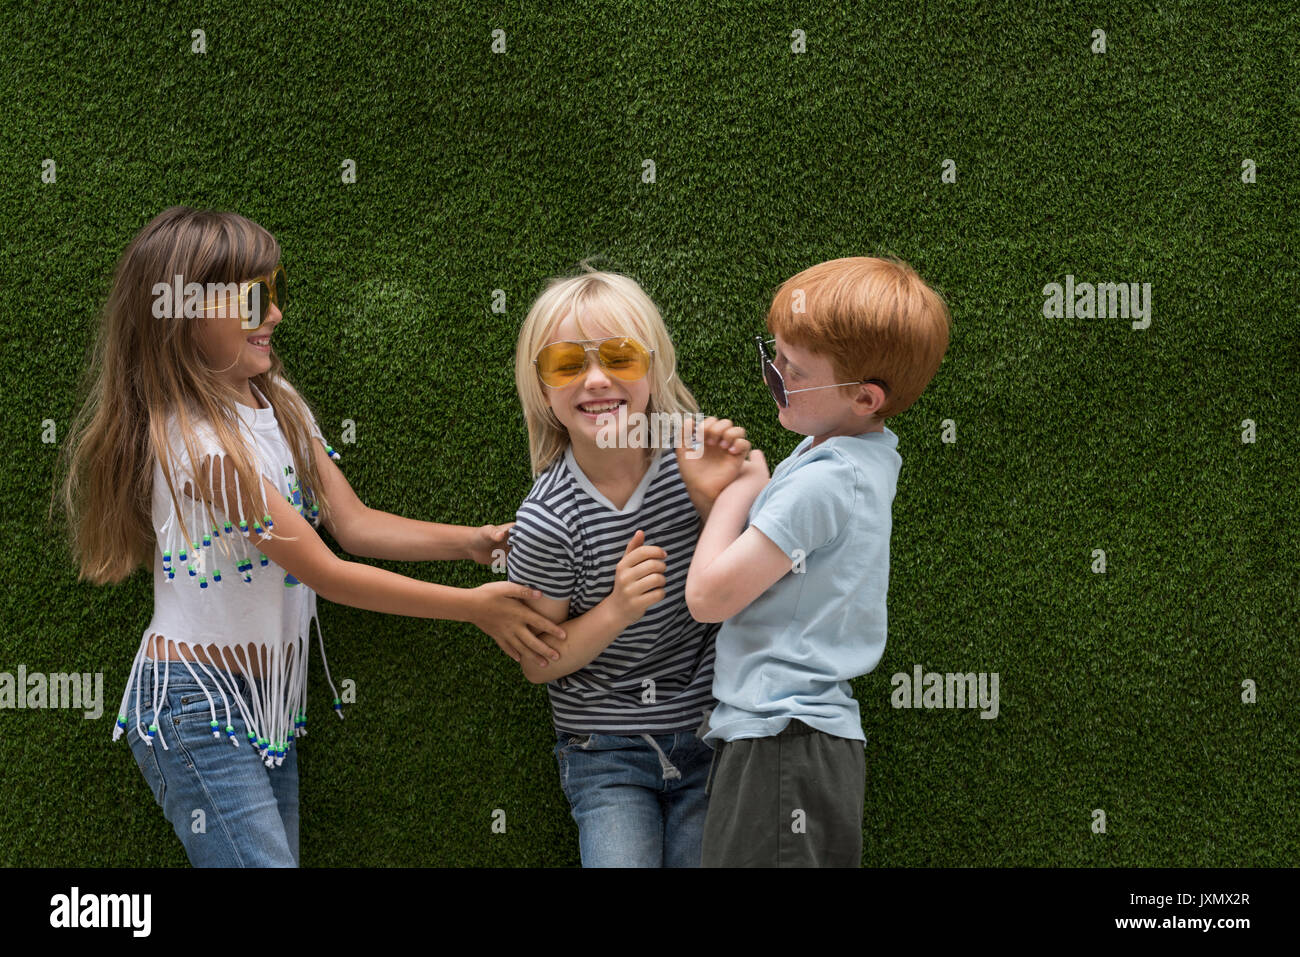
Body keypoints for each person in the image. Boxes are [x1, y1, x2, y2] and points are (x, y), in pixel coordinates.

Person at [51, 206, 565, 867]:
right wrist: (474, 607)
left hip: (268, 709)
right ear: (178, 317)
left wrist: (471, 542)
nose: (274, 316)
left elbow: (353, 524)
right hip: (195, 708)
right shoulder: (199, 448)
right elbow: (325, 571)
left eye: (276, 292)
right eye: (250, 301)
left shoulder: (278, 401)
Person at [685, 255, 951, 867]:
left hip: (781, 741)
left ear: (863, 397)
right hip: (792, 743)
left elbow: (709, 597)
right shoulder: (853, 455)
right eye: (773, 355)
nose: (773, 375)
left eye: (793, 370)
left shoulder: (826, 481)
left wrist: (738, 490)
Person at [505, 265, 750, 866]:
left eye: (619, 356)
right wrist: (617, 609)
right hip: (605, 750)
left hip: (711, 732)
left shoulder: (692, 460)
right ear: (541, 389)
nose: (596, 379)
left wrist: (712, 499)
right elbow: (541, 662)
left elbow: (753, 580)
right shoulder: (547, 520)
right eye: (566, 364)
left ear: (653, 367)